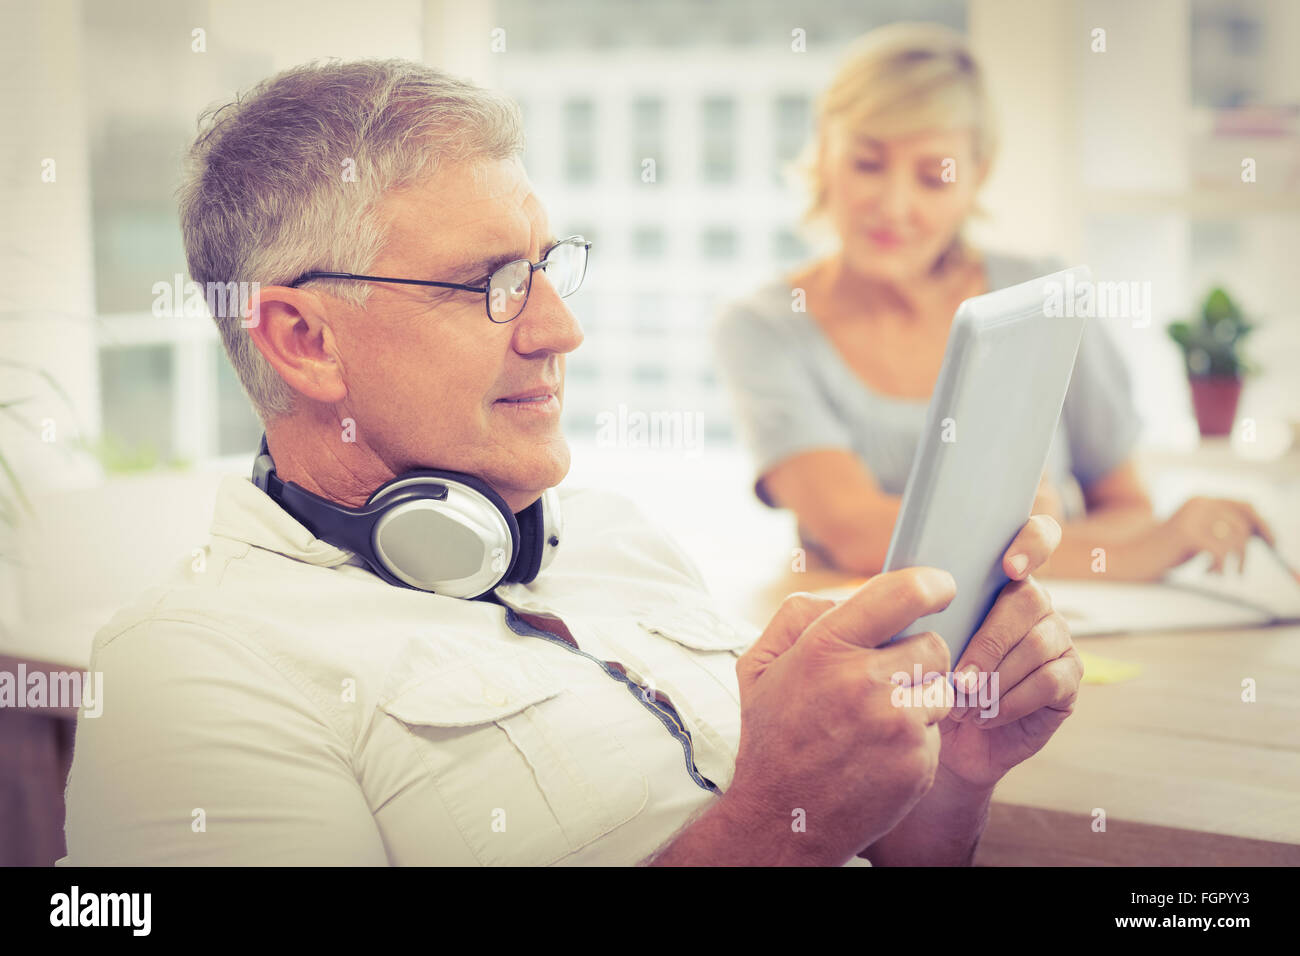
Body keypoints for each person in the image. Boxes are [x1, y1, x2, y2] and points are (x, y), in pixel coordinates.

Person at [61, 59, 1079, 867]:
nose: (560, 328)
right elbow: (786, 833)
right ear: (303, 340)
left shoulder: (607, 533)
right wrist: (779, 820)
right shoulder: (191, 670)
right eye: (492, 281)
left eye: (546, 267)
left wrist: (947, 784)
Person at [713, 23, 1275, 581]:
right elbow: (860, 535)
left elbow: (1125, 506)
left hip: (1061, 632)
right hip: (876, 655)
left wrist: (1108, 539)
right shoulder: (763, 327)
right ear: (823, 156)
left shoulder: (1045, 297)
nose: (893, 204)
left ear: (975, 178)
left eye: (934, 177)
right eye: (866, 164)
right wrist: (1140, 551)